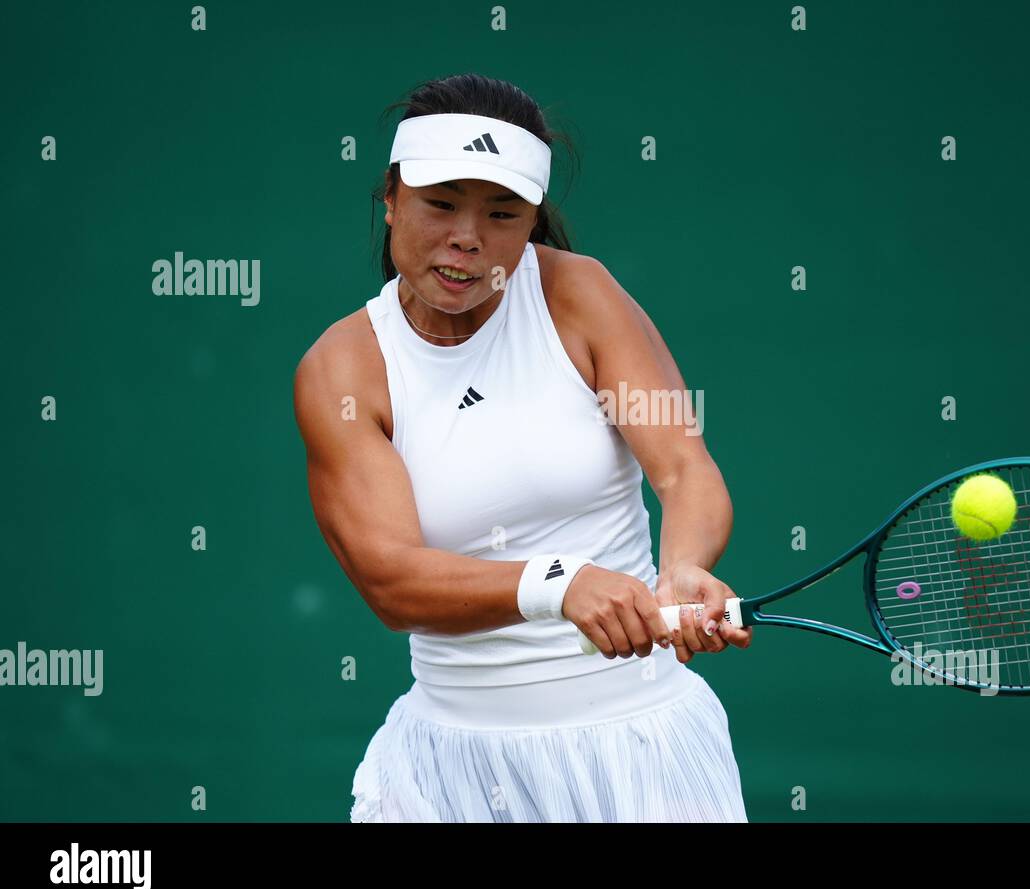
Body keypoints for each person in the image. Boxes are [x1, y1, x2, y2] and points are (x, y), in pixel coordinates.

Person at [293, 73, 751, 822]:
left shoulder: (581, 297)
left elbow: (684, 469)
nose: (468, 237)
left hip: (643, 761)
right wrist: (559, 582)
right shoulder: (343, 369)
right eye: (441, 204)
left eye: (502, 214)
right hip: (447, 779)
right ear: (391, 199)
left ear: (532, 222)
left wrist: (684, 567)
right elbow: (391, 581)